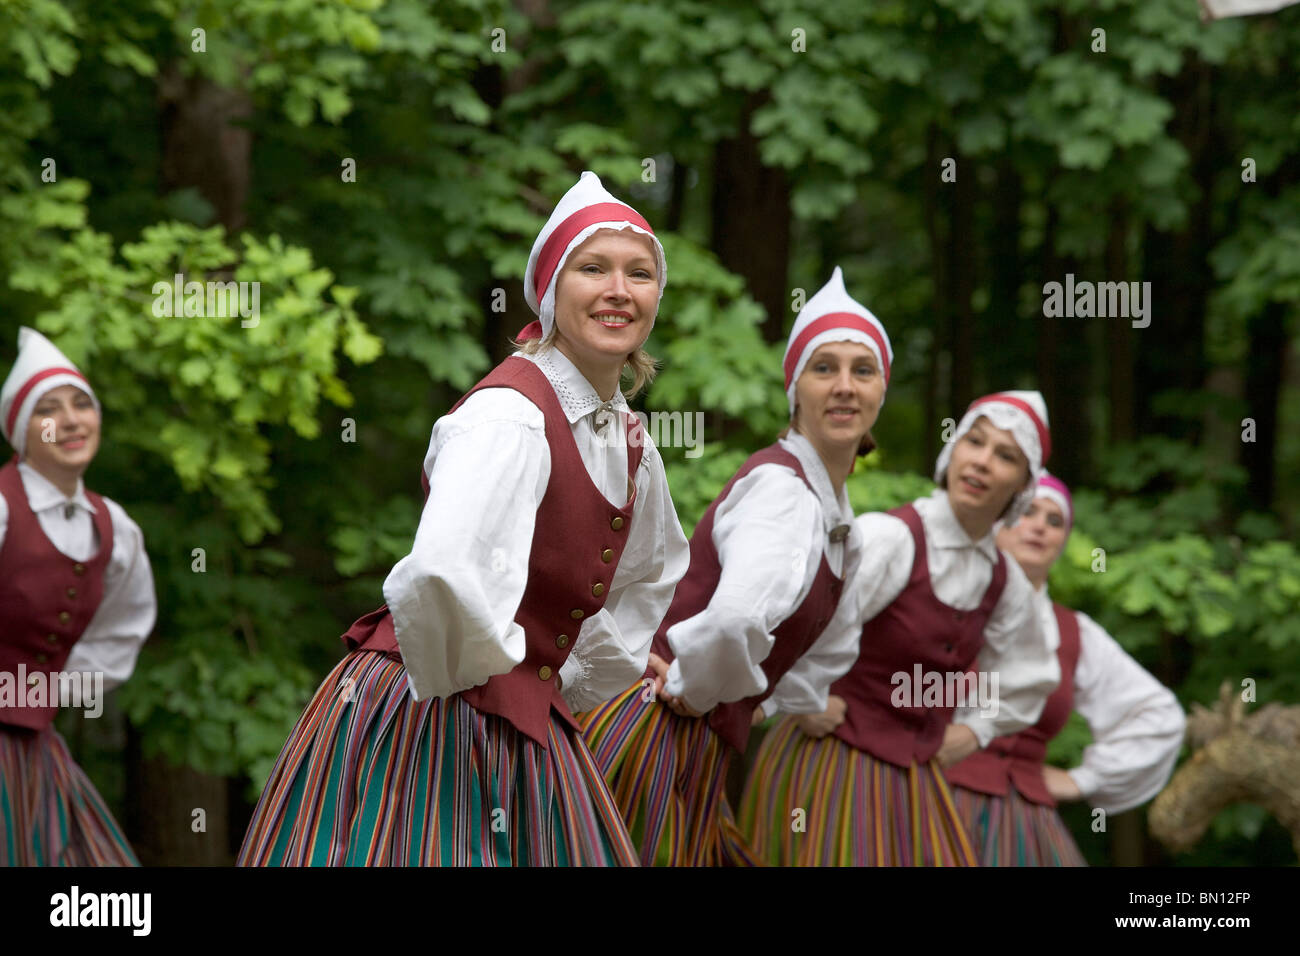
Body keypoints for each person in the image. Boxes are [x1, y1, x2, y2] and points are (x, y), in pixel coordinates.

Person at [238, 171, 690, 866]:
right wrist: (506, 678)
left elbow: (642, 584)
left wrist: (561, 682)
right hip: (431, 709)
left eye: (639, 273)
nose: (618, 291)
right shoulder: (506, 416)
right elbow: (444, 569)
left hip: (525, 721)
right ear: (550, 288)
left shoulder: (631, 445)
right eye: (592, 268)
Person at [579, 267, 890, 866]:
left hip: (692, 746)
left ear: (882, 391)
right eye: (824, 368)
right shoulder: (783, 489)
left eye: (863, 370)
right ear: (796, 389)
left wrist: (777, 703)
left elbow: (809, 666)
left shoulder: (839, 522)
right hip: (651, 730)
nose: (845, 386)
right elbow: (734, 619)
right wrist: (697, 692)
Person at [739, 391, 1061, 866]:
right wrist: (798, 698)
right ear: (954, 452)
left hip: (915, 778)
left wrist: (975, 732)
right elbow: (801, 618)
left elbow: (1027, 675)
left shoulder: (1004, 581)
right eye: (975, 442)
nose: (983, 462)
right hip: (830, 759)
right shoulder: (893, 539)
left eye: (1006, 455)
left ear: (1022, 485)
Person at [944, 472, 1186, 865]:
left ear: (1062, 542)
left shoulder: (1075, 634)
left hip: (1024, 822)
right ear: (996, 524)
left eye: (1054, 520)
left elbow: (1159, 716)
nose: (1040, 525)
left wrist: (1081, 780)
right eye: (1026, 512)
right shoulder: (944, 602)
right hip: (930, 799)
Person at [0, 327, 156, 866]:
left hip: (33, 748)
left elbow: (120, 632)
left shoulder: (114, 528)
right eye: (49, 408)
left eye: (81, 404)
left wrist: (42, 693)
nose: (70, 420)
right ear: (21, 431)